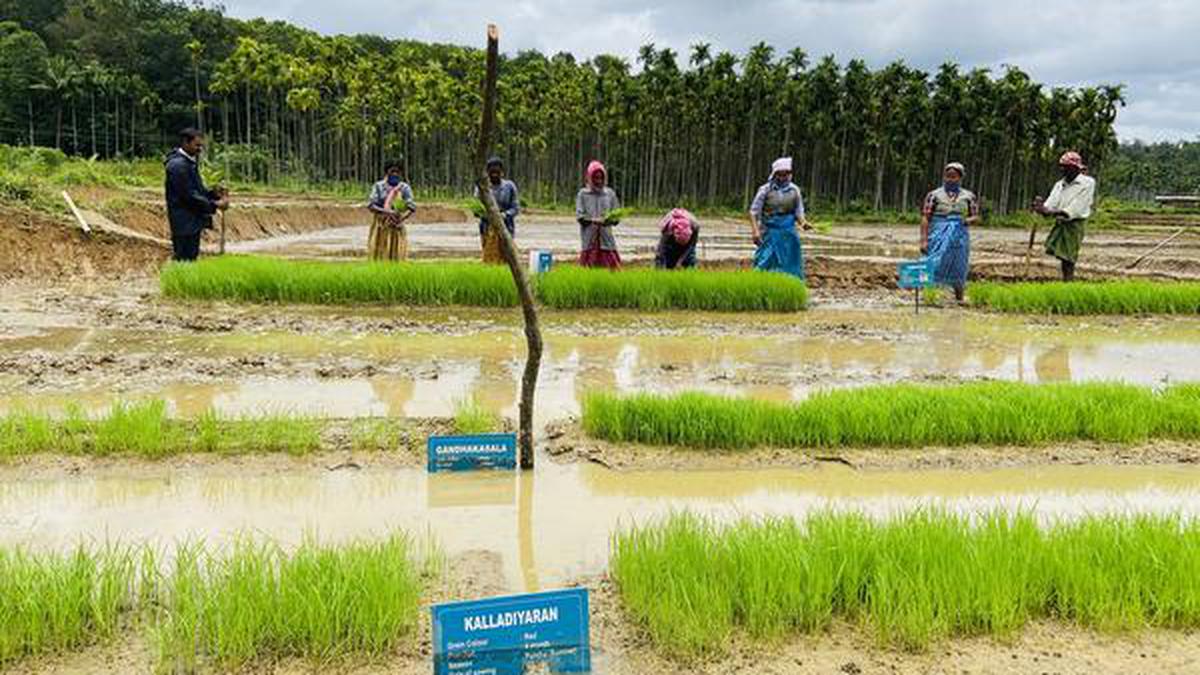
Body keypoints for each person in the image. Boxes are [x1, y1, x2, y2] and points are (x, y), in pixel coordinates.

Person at [164, 128, 229, 262]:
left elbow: (197, 190)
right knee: (184, 258)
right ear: (185, 143)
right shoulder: (178, 166)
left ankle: (182, 280)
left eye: (201, 145)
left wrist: (213, 193)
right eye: (197, 145)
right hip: (184, 222)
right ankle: (177, 281)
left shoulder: (188, 163)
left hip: (190, 221)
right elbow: (189, 196)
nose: (200, 149)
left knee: (190, 257)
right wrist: (215, 204)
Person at [920, 162, 981, 303]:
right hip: (937, 233)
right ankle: (927, 296)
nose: (950, 180)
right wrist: (924, 240)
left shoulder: (968, 196)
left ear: (960, 178)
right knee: (933, 261)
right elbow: (926, 217)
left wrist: (968, 221)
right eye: (948, 176)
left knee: (959, 263)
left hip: (959, 234)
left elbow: (976, 216)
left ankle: (959, 296)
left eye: (954, 177)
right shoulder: (934, 195)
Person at [1034, 151, 1096, 281]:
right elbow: (1051, 204)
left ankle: (1068, 282)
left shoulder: (1087, 183)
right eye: (1061, 166)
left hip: (1074, 224)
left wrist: (1049, 212)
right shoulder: (1059, 184)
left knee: (1069, 258)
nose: (1062, 170)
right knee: (1063, 257)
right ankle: (1066, 281)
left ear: (1074, 168)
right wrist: (1041, 208)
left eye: (1065, 167)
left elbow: (1075, 208)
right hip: (1061, 222)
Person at [749, 157, 811, 278]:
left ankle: (792, 284)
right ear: (775, 175)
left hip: (788, 231)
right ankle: (758, 283)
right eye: (780, 175)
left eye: (786, 175)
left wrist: (803, 223)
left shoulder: (795, 190)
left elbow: (798, 211)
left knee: (791, 261)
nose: (783, 178)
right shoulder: (765, 190)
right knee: (765, 259)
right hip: (769, 231)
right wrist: (755, 231)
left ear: (790, 175)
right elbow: (753, 212)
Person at [575, 161, 622, 269]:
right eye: (595, 178)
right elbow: (580, 217)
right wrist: (595, 221)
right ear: (589, 178)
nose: (598, 181)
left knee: (612, 274)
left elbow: (616, 219)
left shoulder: (610, 194)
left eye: (601, 178)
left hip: (606, 242)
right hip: (589, 242)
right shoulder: (583, 194)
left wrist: (607, 221)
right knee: (587, 272)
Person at [367, 160, 417, 261]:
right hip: (381, 225)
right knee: (379, 254)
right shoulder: (379, 186)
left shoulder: (404, 188)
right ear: (386, 172)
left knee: (397, 255)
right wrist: (388, 212)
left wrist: (401, 219)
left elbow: (412, 207)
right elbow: (371, 205)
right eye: (392, 171)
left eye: (397, 172)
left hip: (397, 225)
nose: (395, 174)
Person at [475, 157, 520, 264]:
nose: (494, 175)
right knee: (489, 258)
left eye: (497, 172)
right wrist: (487, 215)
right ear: (487, 173)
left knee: (507, 258)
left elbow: (516, 208)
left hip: (506, 227)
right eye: (492, 172)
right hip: (487, 228)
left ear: (502, 173)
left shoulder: (509, 186)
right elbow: (476, 209)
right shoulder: (481, 187)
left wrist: (504, 215)